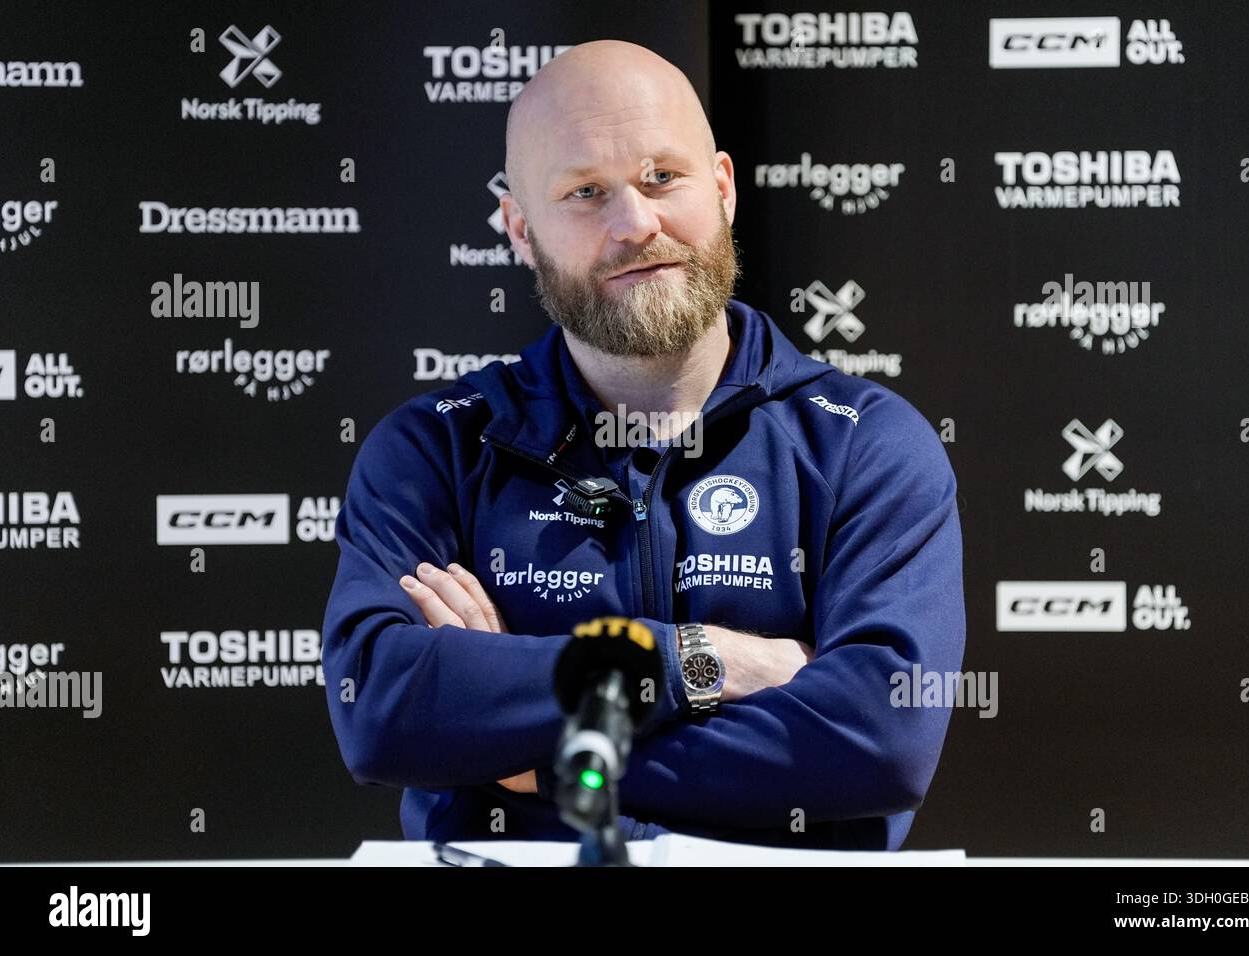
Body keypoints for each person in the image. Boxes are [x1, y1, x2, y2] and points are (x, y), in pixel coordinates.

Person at [322, 39, 965, 850]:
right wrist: (706, 660)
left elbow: (881, 739)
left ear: (724, 188)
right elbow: (384, 711)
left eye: (663, 177)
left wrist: (545, 756)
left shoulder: (864, 444)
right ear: (520, 229)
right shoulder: (435, 450)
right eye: (586, 192)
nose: (636, 224)